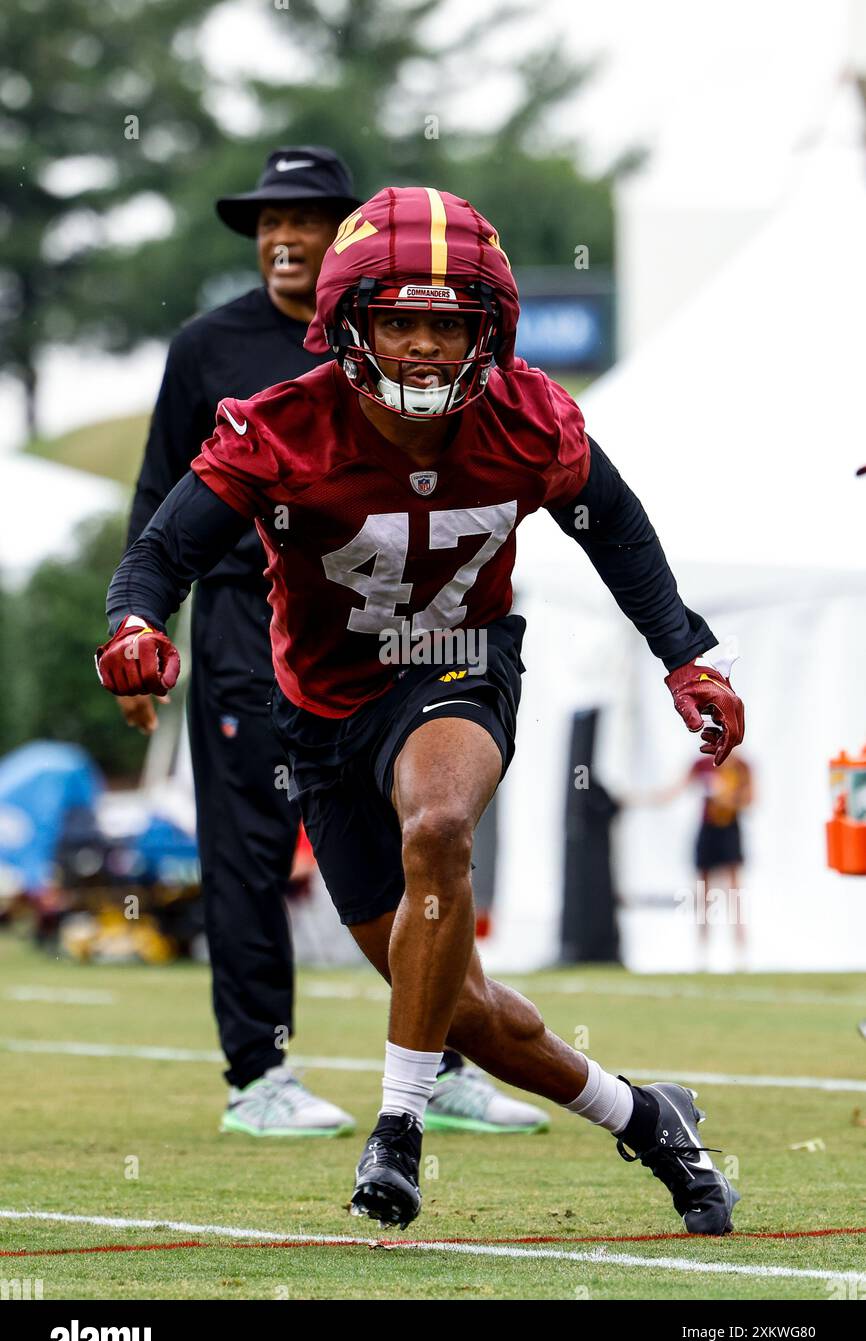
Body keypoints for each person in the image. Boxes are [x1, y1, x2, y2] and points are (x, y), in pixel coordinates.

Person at [96, 185, 745, 1234]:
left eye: (446, 323)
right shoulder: (279, 429)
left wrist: (687, 657)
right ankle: (646, 1113)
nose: (423, 347)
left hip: (455, 660)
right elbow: (162, 551)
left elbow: (615, 531)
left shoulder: (529, 418)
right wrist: (132, 626)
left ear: (485, 330)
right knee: (462, 1006)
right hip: (321, 708)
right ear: (349, 324)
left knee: (438, 823)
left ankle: (396, 1127)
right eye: (398, 319)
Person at [119, 151, 545, 1140]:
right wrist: (138, 623)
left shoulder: (428, 339)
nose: (280, 238)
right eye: (267, 222)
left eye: (304, 219)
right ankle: (256, 1069)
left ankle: (435, 1056)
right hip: (238, 623)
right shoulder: (208, 345)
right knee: (251, 846)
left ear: (349, 238)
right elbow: (159, 503)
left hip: (385, 631)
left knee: (418, 836)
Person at [631, 750, 753, 969]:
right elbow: (674, 791)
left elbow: (750, 799)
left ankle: (740, 953)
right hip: (708, 831)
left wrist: (726, 797)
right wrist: (642, 798)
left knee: (733, 894)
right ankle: (702, 953)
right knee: (703, 894)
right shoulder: (702, 764)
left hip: (729, 830)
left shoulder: (741, 765)